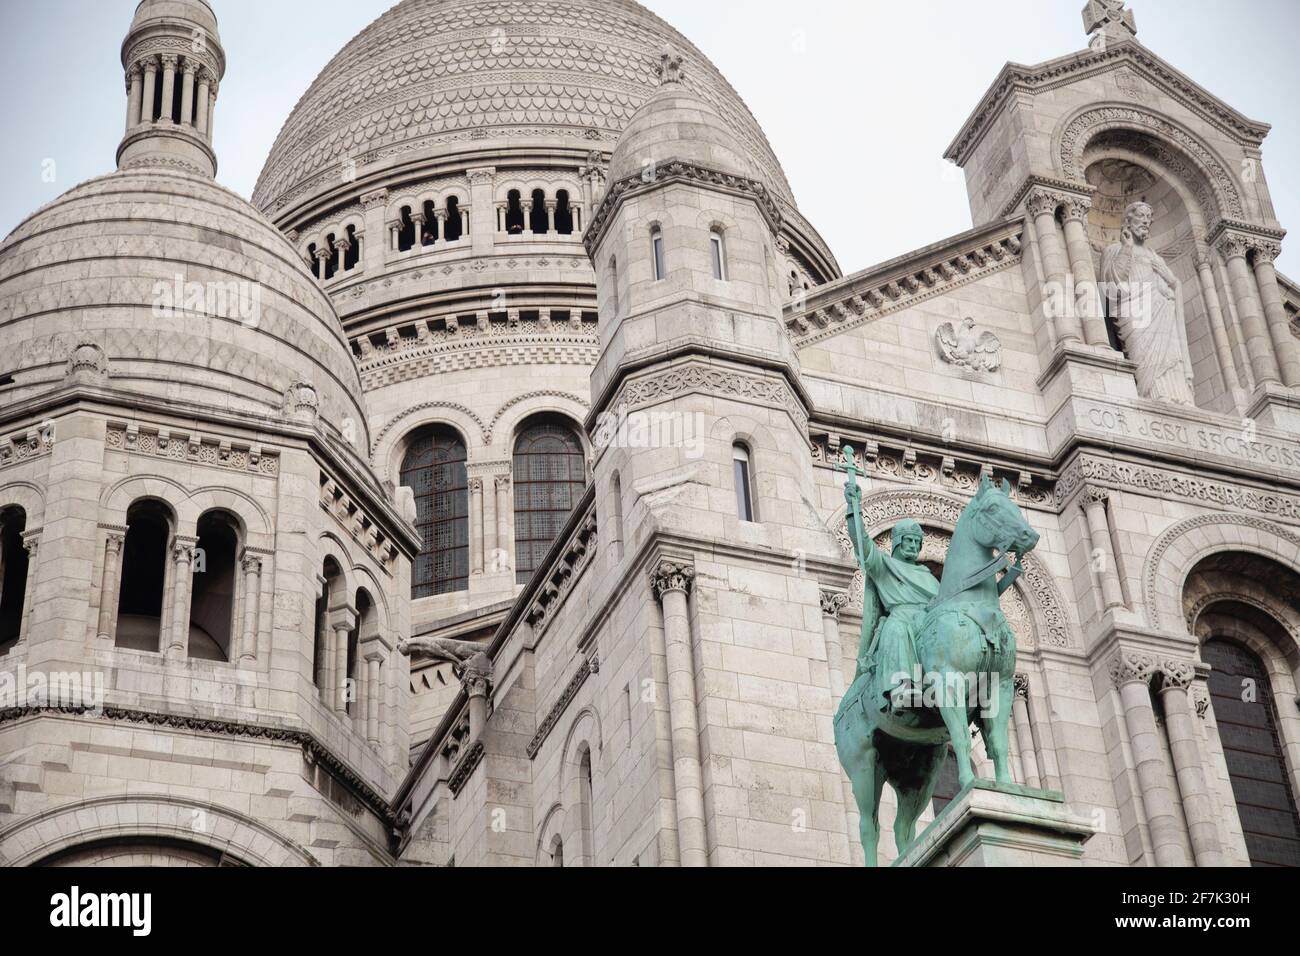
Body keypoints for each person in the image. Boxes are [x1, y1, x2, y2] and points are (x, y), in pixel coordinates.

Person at [845, 482, 940, 714]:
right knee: (897, 629)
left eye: (917, 543)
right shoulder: (884, 565)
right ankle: (901, 689)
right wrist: (853, 509)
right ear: (898, 542)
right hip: (901, 616)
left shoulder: (927, 575)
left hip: (929, 620)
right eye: (909, 540)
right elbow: (863, 544)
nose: (914, 546)